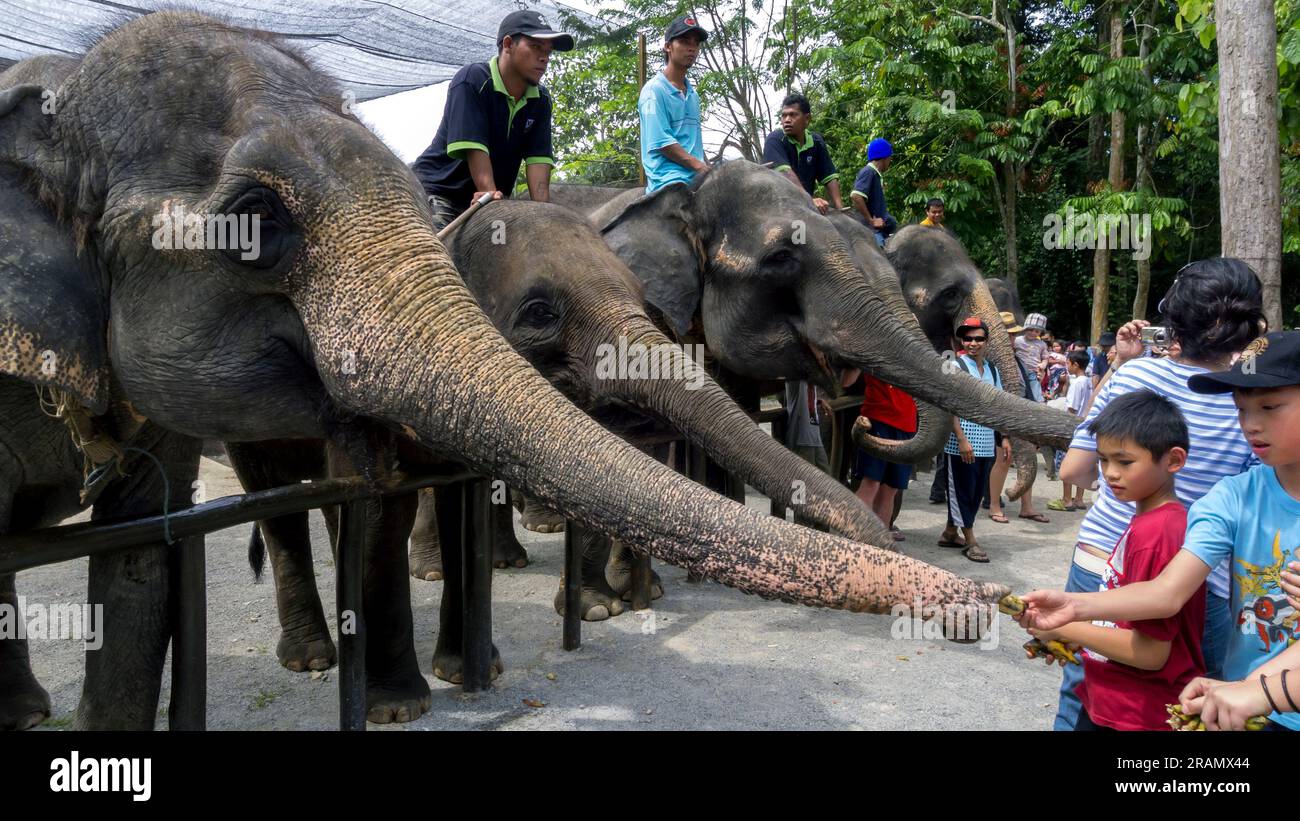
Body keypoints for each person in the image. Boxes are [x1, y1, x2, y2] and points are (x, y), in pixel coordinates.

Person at [1019, 329, 1300, 731]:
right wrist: (1073, 607)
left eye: (1270, 407)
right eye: (1241, 409)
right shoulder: (1233, 498)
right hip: (1251, 709)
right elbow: (1167, 593)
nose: (1250, 425)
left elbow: (1154, 645)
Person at [1049, 257, 1268, 731]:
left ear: (1175, 323)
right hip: (1199, 579)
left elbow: (1076, 471)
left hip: (1102, 560)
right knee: (1187, 703)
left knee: (1082, 689)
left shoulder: (1133, 377)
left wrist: (1122, 371)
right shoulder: (1251, 404)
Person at [1025, 390, 1203, 731]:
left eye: (1125, 462)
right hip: (1117, 701)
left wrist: (1063, 626)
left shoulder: (1157, 535)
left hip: (1137, 712)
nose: (1110, 473)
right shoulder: (1150, 522)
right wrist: (1077, 637)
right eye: (1104, 460)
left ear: (1174, 460)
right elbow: (1126, 623)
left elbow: (1152, 653)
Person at [413, 10, 573, 227]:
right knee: (433, 252)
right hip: (439, 191)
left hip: (491, 198)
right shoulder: (472, 80)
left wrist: (544, 217)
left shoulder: (541, 100)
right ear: (508, 44)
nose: (545, 58)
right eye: (535, 47)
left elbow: (538, 163)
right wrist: (489, 192)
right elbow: (475, 148)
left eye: (548, 51)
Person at [938, 317, 1009, 563]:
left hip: (986, 442)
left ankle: (949, 532)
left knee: (977, 490)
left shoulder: (992, 370)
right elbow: (948, 406)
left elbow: (997, 407)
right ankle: (970, 540)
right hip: (962, 443)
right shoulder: (953, 365)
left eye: (978, 338)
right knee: (962, 491)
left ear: (986, 341)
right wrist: (961, 438)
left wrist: (1004, 438)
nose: (973, 343)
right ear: (961, 341)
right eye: (967, 338)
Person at [988, 311, 1048, 525]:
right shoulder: (991, 361)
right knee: (1004, 460)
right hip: (1002, 419)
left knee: (1028, 460)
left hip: (1023, 417)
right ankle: (994, 504)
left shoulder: (1020, 358)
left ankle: (1027, 507)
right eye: (1007, 335)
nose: (1011, 339)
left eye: (1013, 335)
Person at [638, 15, 709, 194]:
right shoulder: (653, 91)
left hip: (696, 177)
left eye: (696, 43)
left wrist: (707, 170)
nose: (692, 48)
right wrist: (701, 167)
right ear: (668, 46)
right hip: (669, 181)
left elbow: (691, 144)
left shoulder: (693, 94)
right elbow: (662, 142)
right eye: (685, 41)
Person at [853, 373, 917, 540]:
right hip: (878, 419)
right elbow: (847, 379)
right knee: (871, 483)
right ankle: (856, 536)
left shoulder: (913, 350)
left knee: (891, 489)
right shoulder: (871, 348)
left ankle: (880, 541)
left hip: (907, 424)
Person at [762, 93, 842, 214]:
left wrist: (840, 209)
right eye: (784, 116)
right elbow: (785, 173)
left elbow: (829, 176)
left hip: (805, 207)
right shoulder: (775, 140)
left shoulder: (816, 142)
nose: (787, 120)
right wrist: (809, 200)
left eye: (793, 115)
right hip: (777, 208)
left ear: (807, 119)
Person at [1048, 350, 1094, 512]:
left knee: (1066, 463)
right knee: (1082, 465)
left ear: (1075, 364)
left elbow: (1072, 408)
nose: (1066, 366)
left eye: (1068, 363)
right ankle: (1079, 499)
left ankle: (1067, 499)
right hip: (1086, 426)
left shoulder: (1076, 383)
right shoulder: (1088, 381)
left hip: (1072, 427)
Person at [850, 138, 897, 246]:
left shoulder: (875, 174)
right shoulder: (868, 172)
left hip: (877, 230)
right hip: (871, 231)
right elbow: (856, 196)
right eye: (890, 158)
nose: (890, 161)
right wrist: (871, 221)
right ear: (885, 157)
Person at [784, 379, 830, 473]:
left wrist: (818, 401)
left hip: (815, 438)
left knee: (827, 478)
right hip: (801, 440)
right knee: (805, 482)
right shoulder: (795, 378)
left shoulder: (811, 382)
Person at [1014, 312, 1049, 402]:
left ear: (1041, 332)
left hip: (1033, 371)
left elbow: (1045, 357)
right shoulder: (1017, 340)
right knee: (1020, 390)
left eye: (1037, 331)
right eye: (1030, 329)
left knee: (1035, 389)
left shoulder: (1042, 344)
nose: (1033, 333)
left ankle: (1038, 403)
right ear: (1025, 329)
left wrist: (1043, 364)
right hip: (1018, 371)